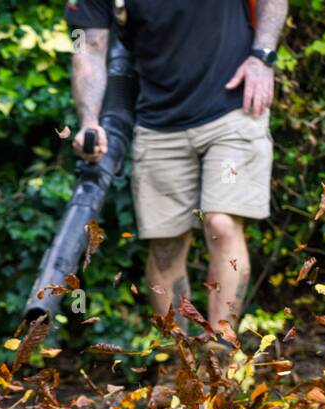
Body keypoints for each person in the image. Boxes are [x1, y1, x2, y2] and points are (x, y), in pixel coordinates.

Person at [65, 0, 288, 349]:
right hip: (157, 122)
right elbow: (89, 48)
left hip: (233, 109)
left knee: (221, 222)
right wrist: (90, 121)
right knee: (166, 246)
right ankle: (185, 366)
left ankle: (221, 358)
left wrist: (263, 57)